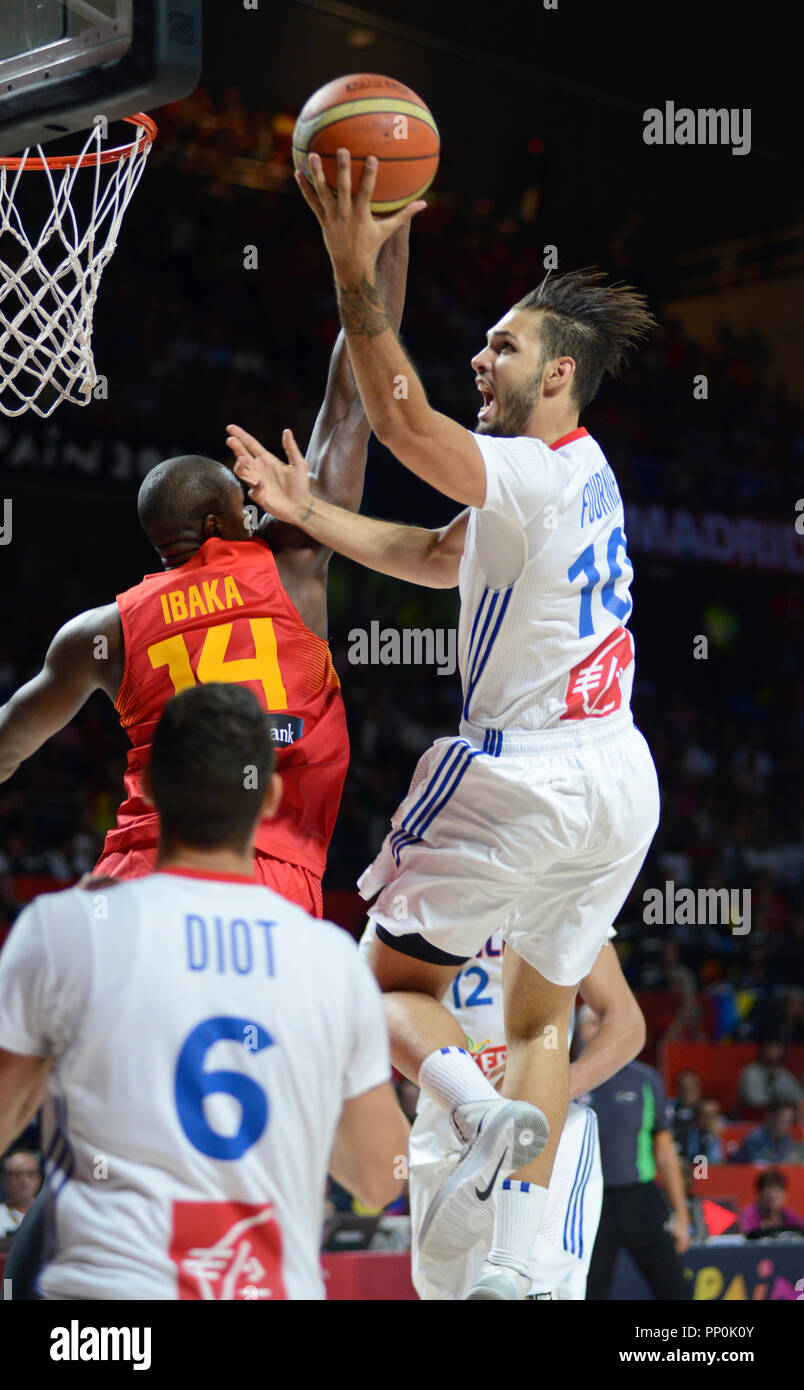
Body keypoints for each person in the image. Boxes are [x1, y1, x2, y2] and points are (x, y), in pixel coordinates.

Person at [225, 149, 660, 1298]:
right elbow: (428, 553)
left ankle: (468, 1114)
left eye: (504, 344)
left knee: (379, 990)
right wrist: (308, 505)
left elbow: (401, 421)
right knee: (543, 1019)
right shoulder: (583, 476)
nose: (480, 353)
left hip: (528, 774)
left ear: (559, 372)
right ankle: (520, 1252)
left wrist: (350, 266)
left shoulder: (529, 470)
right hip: (622, 783)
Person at [0, 228, 410, 916]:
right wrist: (389, 233)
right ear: (222, 524)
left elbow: (10, 738)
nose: (261, 513)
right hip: (262, 877)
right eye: (248, 510)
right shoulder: (296, 560)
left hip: (130, 878)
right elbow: (354, 391)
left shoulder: (102, 633)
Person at [0, 684, 410, 1300]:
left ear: (149, 789)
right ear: (269, 796)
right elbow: (381, 1178)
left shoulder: (67, 931)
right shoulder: (329, 960)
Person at [361, 918, 646, 1300]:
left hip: (542, 1124)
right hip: (447, 1121)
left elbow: (626, 1020)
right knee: (451, 1293)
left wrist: (561, 1086)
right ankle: (484, 1112)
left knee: (535, 1288)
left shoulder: (558, 890)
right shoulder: (432, 882)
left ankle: (493, 1117)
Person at [584, 1028, 691, 1300]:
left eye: (602, 1021)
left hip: (641, 1198)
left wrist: (681, 1214)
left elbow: (665, 1153)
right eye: (589, 1022)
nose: (596, 1029)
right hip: (590, 1203)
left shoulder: (644, 1078)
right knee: (588, 1293)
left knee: (675, 1290)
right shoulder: (570, 1078)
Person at [737, 1040, 803, 1113]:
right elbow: (756, 1102)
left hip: (781, 1118)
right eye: (770, 1048)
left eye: (777, 1048)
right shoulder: (751, 1072)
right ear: (763, 1050)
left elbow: (799, 1097)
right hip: (753, 1119)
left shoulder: (783, 1073)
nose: (774, 1052)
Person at [739, 1171, 804, 1237]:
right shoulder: (748, 1216)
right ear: (760, 1193)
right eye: (769, 1189)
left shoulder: (788, 1215)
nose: (774, 1195)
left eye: (778, 1190)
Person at [738, 1101, 804, 1163]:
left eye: (789, 1121)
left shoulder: (787, 1139)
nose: (786, 1126)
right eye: (782, 1121)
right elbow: (754, 1165)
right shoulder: (754, 1139)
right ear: (771, 1117)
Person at [0, 1149, 41, 1236]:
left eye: (30, 1174)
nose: (23, 1179)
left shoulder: (51, 1213)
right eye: (17, 1174)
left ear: (39, 1179)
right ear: (6, 1181)